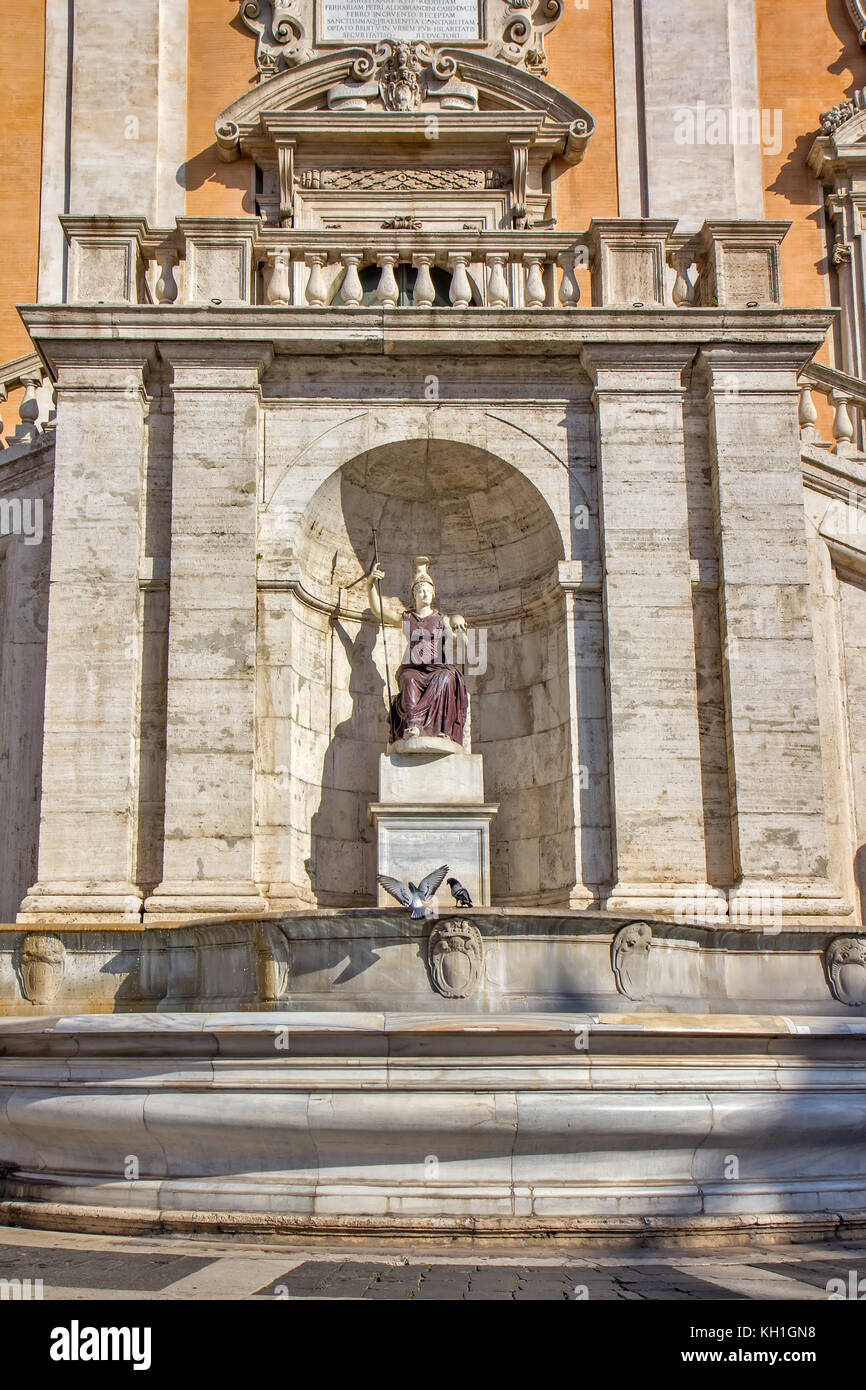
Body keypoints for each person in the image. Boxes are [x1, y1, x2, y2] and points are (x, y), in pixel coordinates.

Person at [366, 555, 468, 746]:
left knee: (446, 678)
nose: (424, 594)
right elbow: (379, 611)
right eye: (420, 591)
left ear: (433, 594)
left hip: (437, 667)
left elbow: (459, 642)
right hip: (414, 667)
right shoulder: (407, 618)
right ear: (414, 595)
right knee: (408, 678)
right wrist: (370, 584)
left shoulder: (441, 619)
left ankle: (442, 729)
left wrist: (461, 631)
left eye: (427, 591)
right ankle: (413, 726)